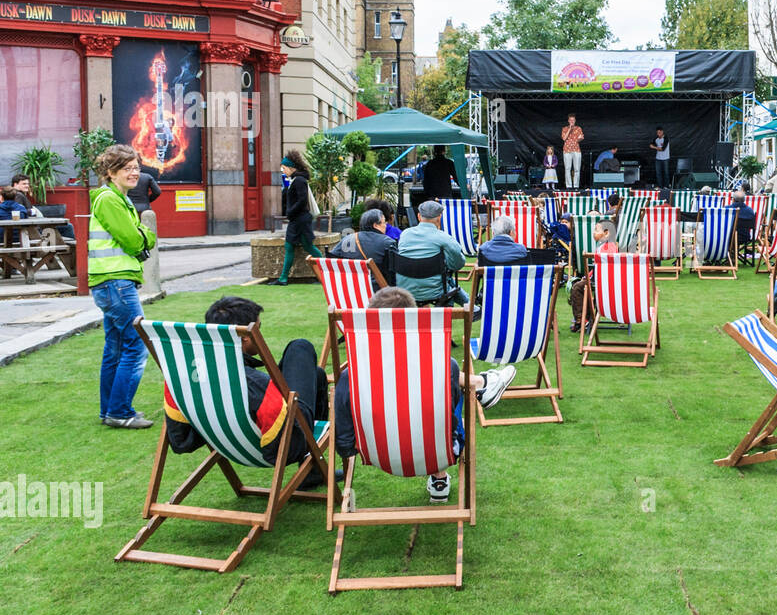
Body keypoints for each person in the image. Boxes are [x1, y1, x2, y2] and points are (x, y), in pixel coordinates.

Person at [333, 286, 516, 502]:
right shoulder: (443, 367)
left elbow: (345, 442)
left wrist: (349, 448)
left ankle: (482, 384)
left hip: (378, 455)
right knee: (447, 393)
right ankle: (440, 475)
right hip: (440, 452)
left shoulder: (352, 375)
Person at [162, 296, 340, 488]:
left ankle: (312, 471)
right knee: (300, 347)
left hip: (226, 441)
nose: (260, 335)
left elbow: (180, 441)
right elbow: (279, 441)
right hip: (288, 441)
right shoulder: (251, 383)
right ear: (245, 336)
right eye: (259, 329)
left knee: (317, 375)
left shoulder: (185, 376)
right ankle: (311, 465)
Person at [87, 144, 158, 429]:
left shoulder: (117, 198)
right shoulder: (110, 199)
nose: (134, 173)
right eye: (127, 168)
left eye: (136, 168)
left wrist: (141, 234)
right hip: (115, 282)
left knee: (115, 348)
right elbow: (134, 240)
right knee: (136, 344)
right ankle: (119, 411)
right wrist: (146, 235)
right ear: (110, 172)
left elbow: (135, 236)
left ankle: (112, 411)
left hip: (111, 282)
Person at [397, 199, 467, 306]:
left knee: (444, 278)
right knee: (447, 280)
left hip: (404, 289)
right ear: (439, 218)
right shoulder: (444, 237)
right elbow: (458, 264)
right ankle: (467, 305)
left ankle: (470, 303)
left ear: (419, 216)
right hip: (434, 291)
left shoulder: (405, 234)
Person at [273, 150, 322, 285]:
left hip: (299, 220)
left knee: (305, 247)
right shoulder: (296, 180)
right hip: (299, 219)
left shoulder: (299, 180)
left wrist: (290, 212)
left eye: (284, 168)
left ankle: (284, 278)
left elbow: (301, 200)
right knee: (298, 246)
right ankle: (283, 278)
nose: (283, 171)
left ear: (291, 167)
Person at [568, 219, 619, 331]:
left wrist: (589, 276)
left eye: (597, 230)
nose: (594, 232)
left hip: (604, 281)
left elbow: (604, 267)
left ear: (606, 233)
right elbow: (596, 267)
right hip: (599, 279)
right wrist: (587, 275)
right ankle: (585, 318)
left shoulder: (609, 247)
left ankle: (582, 319)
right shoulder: (604, 246)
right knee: (580, 285)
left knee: (577, 287)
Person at [329, 207, 396, 285]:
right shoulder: (387, 242)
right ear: (376, 225)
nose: (386, 225)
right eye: (384, 222)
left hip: (349, 286)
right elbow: (396, 270)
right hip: (378, 290)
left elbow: (331, 258)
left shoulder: (347, 239)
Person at [561, 114, 584, 188]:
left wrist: (580, 138)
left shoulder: (578, 128)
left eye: (573, 120)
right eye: (570, 120)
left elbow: (580, 138)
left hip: (576, 150)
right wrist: (569, 129)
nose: (572, 121)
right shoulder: (564, 128)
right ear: (568, 121)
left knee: (577, 169)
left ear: (575, 121)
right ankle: (569, 186)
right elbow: (564, 138)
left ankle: (576, 186)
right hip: (567, 150)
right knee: (567, 168)